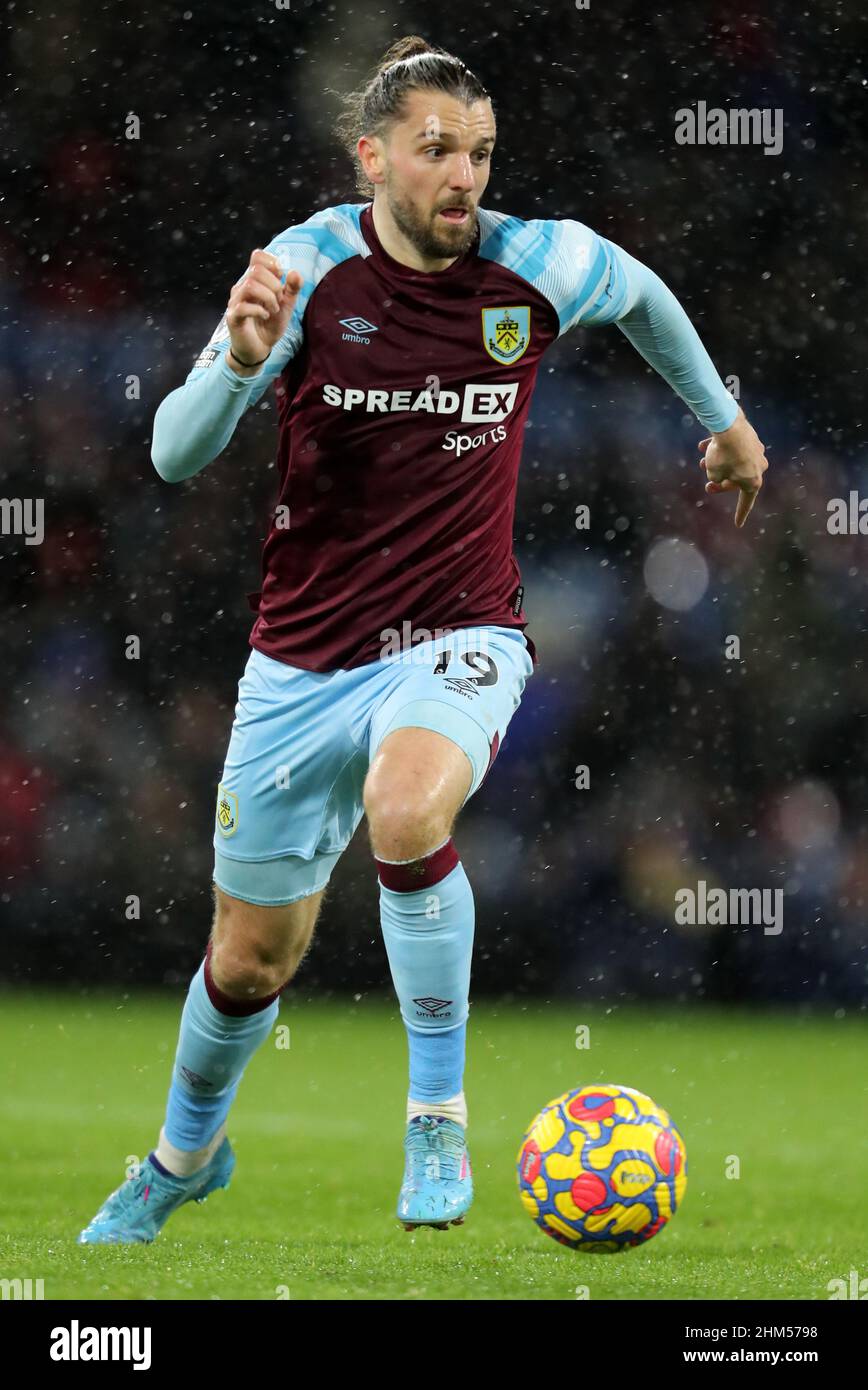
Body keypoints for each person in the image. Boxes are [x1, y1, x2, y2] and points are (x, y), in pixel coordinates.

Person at [78, 34, 767, 1244]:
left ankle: (437, 1115)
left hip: (460, 632)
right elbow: (172, 452)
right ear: (373, 157)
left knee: (408, 811)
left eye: (482, 153)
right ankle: (183, 1157)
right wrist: (239, 364)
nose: (465, 177)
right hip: (301, 659)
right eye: (437, 150)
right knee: (249, 962)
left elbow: (647, 295)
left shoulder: (535, 265)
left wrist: (724, 422)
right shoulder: (305, 270)